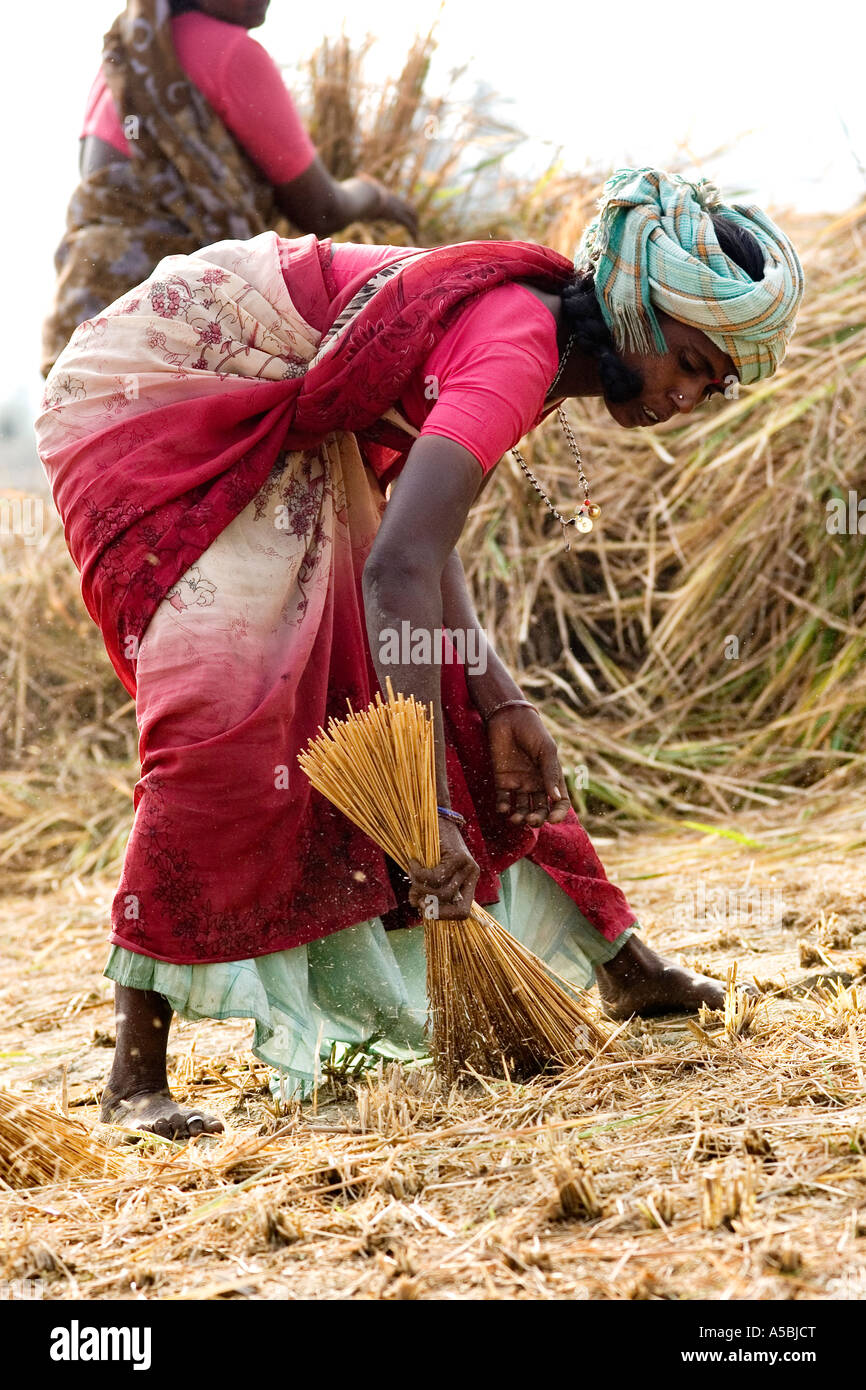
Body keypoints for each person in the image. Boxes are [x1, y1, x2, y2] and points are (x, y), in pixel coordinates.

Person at [35, 168, 804, 1139]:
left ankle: (622, 966)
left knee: (449, 706)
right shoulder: (518, 348)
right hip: (176, 389)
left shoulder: (531, 338)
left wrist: (500, 703)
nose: (686, 396)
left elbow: (413, 554)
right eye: (689, 361)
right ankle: (131, 1076)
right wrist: (422, 808)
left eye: (712, 383)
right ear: (632, 307)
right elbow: (399, 568)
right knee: (231, 709)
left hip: (283, 409)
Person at [41, 0, 417, 375]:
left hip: (81, 337)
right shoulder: (232, 54)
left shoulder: (124, 58)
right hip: (176, 341)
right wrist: (376, 196)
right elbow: (319, 207)